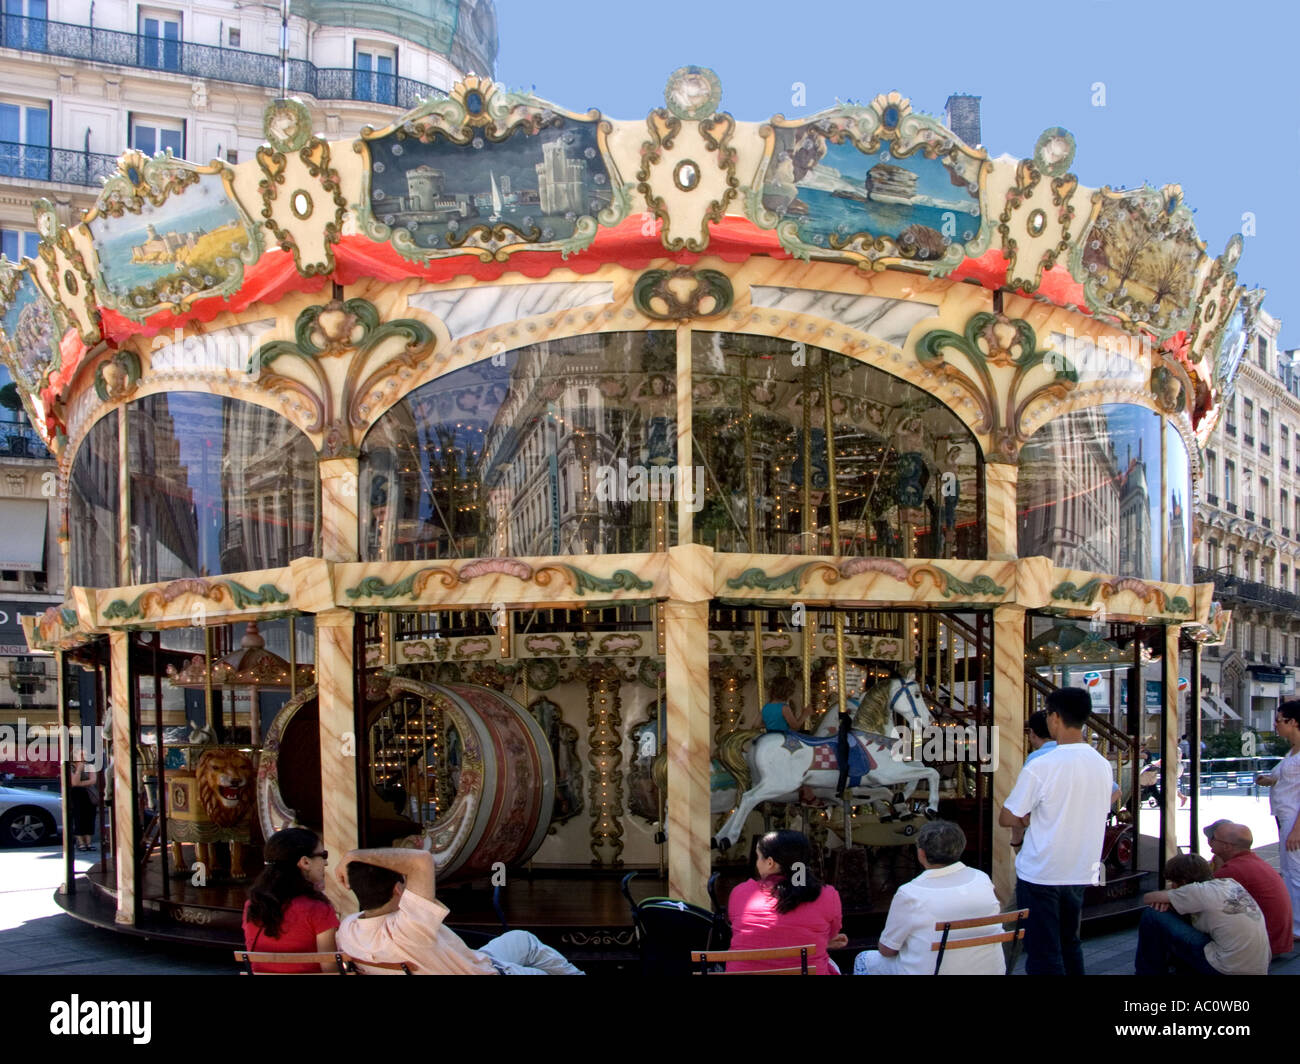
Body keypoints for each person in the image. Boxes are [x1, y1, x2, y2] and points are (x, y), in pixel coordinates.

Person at [999, 687, 1113, 975]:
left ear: (1054, 718)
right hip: (1080, 869)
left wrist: (1030, 818)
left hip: (1042, 871)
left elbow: (1008, 816)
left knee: (1043, 953)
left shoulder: (1043, 764)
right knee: (1070, 944)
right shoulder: (1102, 764)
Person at [335, 847, 583, 974]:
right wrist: (354, 855)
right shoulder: (410, 927)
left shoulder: (347, 929)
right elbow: (421, 860)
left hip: (470, 961)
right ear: (399, 889)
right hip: (488, 972)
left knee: (523, 941)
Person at [854, 819, 1004, 975]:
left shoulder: (910, 893)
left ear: (921, 853)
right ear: (961, 847)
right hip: (990, 970)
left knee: (863, 959)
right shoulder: (982, 879)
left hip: (933, 971)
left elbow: (887, 950)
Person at [726, 830, 845, 974]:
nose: (757, 863)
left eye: (759, 858)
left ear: (770, 863)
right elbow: (831, 933)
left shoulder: (740, 893)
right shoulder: (828, 896)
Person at [1135, 854, 1270, 975]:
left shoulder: (1196, 891)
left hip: (1227, 968)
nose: (1173, 886)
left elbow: (1148, 898)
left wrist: (1166, 898)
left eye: (1173, 883)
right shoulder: (1229, 883)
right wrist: (1170, 899)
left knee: (1152, 915)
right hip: (1256, 968)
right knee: (1180, 913)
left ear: (1183, 881)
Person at [241, 828, 339, 973]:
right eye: (323, 855)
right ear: (305, 862)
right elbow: (330, 970)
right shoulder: (319, 909)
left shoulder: (254, 904)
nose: (325, 863)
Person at [1203, 820, 1294, 957]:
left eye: (1213, 838)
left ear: (1227, 846)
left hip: (1262, 949)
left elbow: (1199, 899)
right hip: (1275, 943)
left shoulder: (1233, 870)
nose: (1210, 842)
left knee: (1164, 917)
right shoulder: (1253, 862)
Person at [1256, 699, 1300, 945]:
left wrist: (1296, 830)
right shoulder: (1292, 752)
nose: (1276, 726)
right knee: (1291, 871)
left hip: (1293, 820)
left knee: (1295, 873)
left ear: (1293, 722)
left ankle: (1297, 927)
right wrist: (1270, 780)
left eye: (1279, 721)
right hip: (1285, 818)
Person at [761, 676, 818, 805]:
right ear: (787, 692)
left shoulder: (766, 707)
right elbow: (795, 726)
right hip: (784, 739)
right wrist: (805, 713)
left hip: (769, 739)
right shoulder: (784, 708)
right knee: (807, 757)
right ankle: (807, 792)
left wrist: (772, 724)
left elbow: (756, 724)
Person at [69, 752, 98, 853]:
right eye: (81, 754)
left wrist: (79, 783)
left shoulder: (90, 766)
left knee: (90, 818)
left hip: (89, 795)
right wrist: (79, 769)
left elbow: (93, 780)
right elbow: (74, 782)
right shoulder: (70, 767)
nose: (83, 756)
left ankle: (89, 843)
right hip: (76, 796)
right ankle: (81, 843)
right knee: (78, 818)